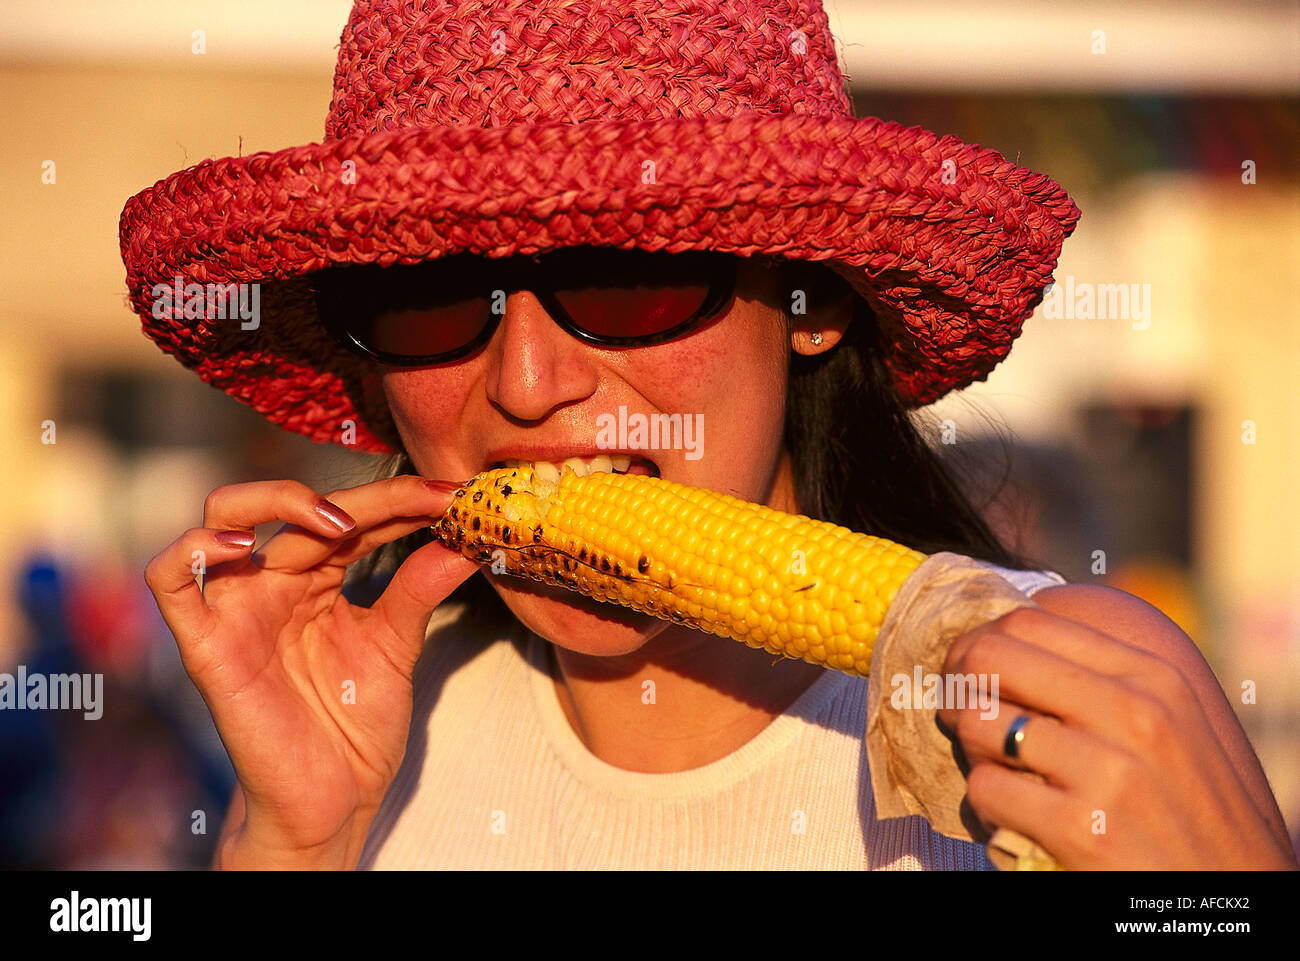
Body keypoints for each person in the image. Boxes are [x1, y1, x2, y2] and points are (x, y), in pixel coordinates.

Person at [123, 0, 1295, 870]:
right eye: (433, 295)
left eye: (625, 275)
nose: (526, 383)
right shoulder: (366, 749)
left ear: (813, 303)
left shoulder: (1070, 721)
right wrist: (290, 839)